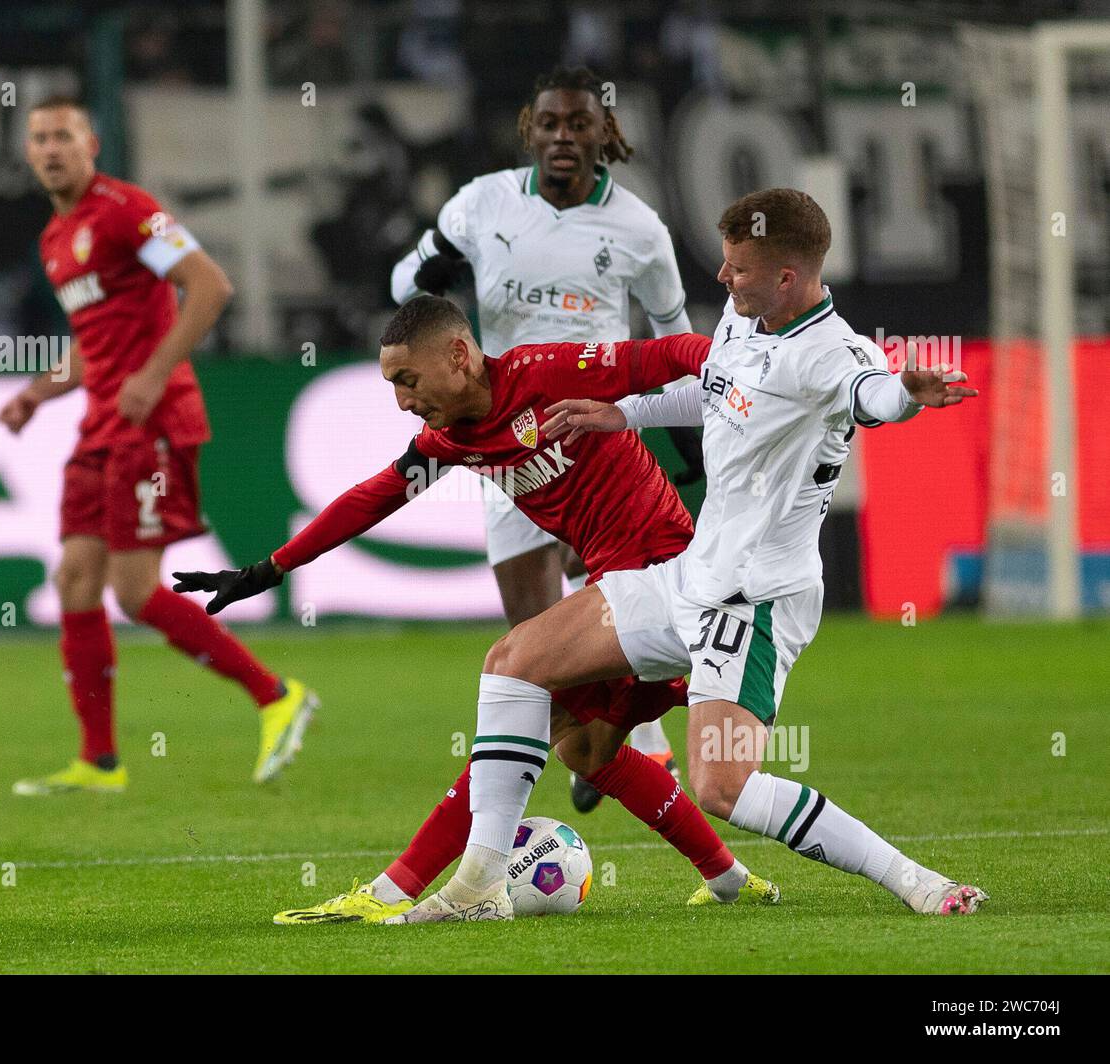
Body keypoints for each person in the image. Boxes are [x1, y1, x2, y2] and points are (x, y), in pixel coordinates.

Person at [386, 188, 988, 922]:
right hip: (688, 579)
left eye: (738, 268)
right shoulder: (744, 318)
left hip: (757, 600)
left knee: (724, 789)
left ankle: (918, 882)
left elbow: (872, 394)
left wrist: (908, 391)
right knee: (514, 663)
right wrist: (626, 411)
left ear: (789, 277)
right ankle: (477, 887)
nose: (724, 280)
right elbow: (717, 388)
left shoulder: (835, 354)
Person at [174, 295, 779, 923]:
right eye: (392, 386)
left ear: (459, 356)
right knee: (587, 753)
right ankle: (731, 879)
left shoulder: (550, 372)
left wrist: (743, 377)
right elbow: (369, 500)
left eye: (407, 380)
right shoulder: (449, 441)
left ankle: (399, 892)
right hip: (618, 588)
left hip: (662, 575)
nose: (402, 401)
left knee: (521, 710)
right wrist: (270, 569)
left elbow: (668, 353)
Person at [390, 66, 693, 812]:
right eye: (551, 124)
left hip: (585, 435)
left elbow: (674, 337)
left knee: (609, 610)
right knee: (532, 637)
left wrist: (684, 448)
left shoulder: (639, 229)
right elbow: (407, 286)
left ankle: (642, 747)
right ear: (530, 129)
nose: (564, 137)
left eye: (580, 124)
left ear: (603, 133)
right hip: (499, 434)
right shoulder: (481, 203)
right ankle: (607, 744)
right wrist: (426, 273)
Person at [0, 95, 316, 795]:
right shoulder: (56, 239)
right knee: (74, 578)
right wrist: (34, 393)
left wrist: (154, 371)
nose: (51, 148)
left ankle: (276, 695)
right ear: (29, 153)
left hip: (153, 422)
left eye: (64, 136)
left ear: (92, 146)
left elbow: (209, 285)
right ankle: (100, 761)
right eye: (40, 138)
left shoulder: (126, 210)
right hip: (101, 426)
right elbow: (92, 347)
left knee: (135, 591)